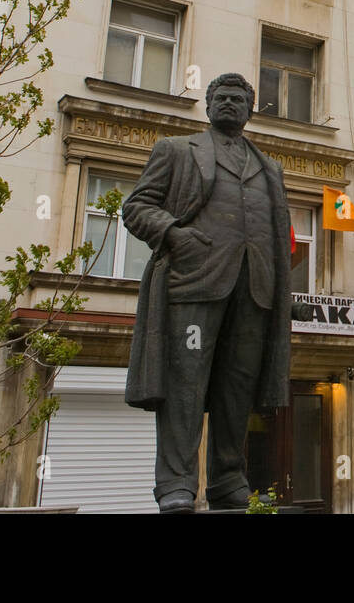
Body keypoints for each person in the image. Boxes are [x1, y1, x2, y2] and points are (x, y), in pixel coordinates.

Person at [122, 72, 299, 513]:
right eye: (220, 97)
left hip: (254, 292)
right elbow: (136, 207)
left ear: (250, 109)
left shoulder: (270, 168)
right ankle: (177, 484)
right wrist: (175, 236)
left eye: (237, 98)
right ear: (207, 104)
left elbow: (278, 236)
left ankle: (227, 480)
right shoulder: (177, 150)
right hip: (194, 285)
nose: (228, 103)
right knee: (186, 384)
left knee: (237, 388)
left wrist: (281, 293)